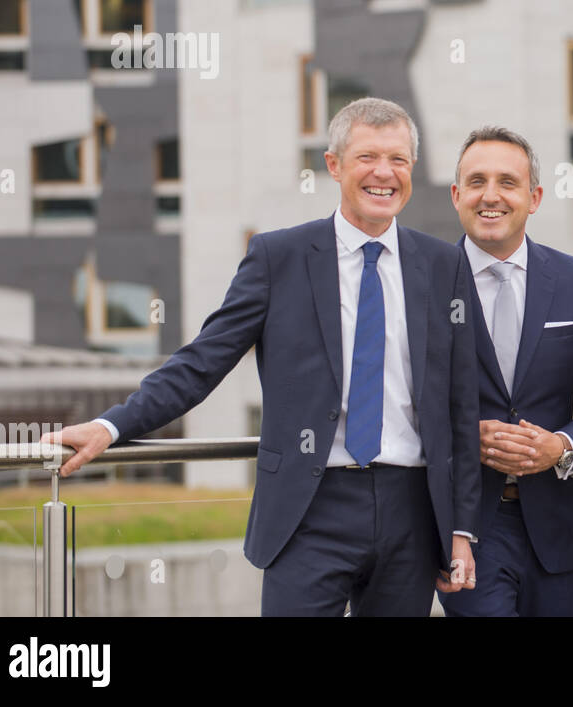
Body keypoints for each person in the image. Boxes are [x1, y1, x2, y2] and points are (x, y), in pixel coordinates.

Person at [42, 98, 480, 616]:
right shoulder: (278, 257)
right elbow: (204, 360)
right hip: (308, 510)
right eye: (367, 157)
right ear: (334, 164)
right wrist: (110, 427)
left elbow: (461, 406)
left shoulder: (444, 264)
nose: (384, 173)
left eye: (399, 159)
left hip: (413, 511)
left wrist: (461, 528)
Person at [437, 127, 573, 617]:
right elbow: (402, 402)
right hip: (463, 523)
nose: (491, 195)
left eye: (508, 181)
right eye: (476, 181)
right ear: (457, 195)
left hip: (553, 526)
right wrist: (464, 435)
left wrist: (561, 448)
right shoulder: (424, 283)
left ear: (534, 197)